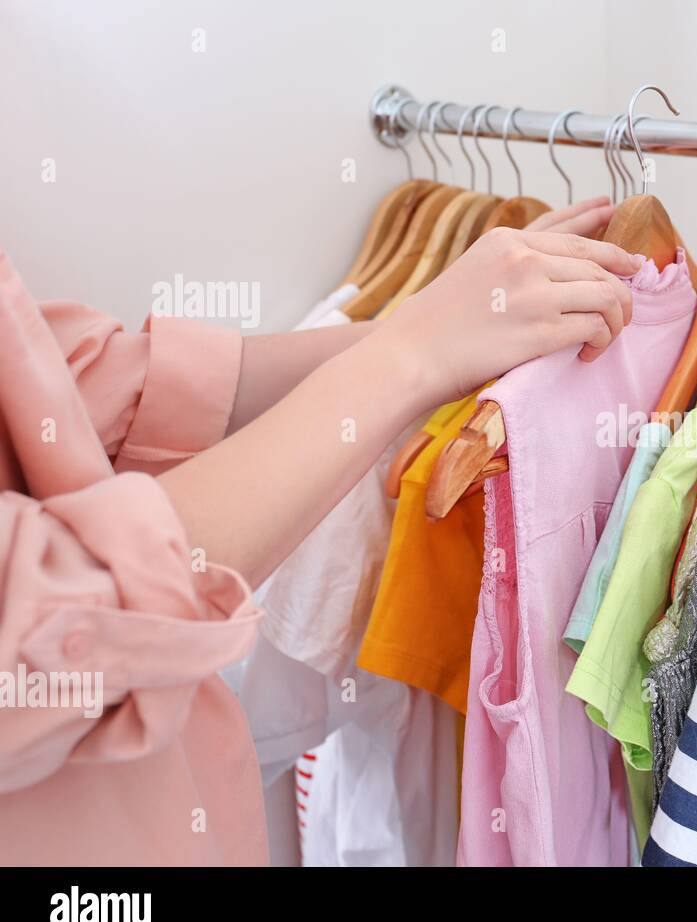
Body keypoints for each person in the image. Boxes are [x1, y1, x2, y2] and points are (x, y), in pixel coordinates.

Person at [0, 197, 637, 864]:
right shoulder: (420, 467)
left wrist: (435, 328)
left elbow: (83, 386)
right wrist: (411, 352)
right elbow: (64, 619)